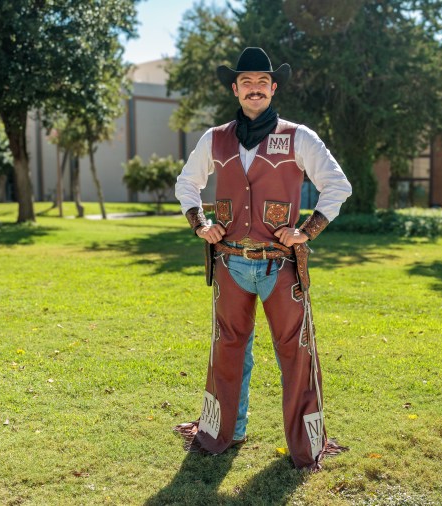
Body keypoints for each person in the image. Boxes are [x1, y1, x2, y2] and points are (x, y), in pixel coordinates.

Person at [174, 47, 352, 470]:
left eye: (262, 83)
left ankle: (307, 446)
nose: (254, 90)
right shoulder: (215, 138)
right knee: (228, 349)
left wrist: (305, 231)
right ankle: (224, 432)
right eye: (246, 83)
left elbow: (337, 185)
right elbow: (186, 184)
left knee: (297, 352)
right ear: (235, 89)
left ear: (273, 89)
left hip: (281, 266)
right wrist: (200, 224)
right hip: (230, 264)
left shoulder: (298, 136)